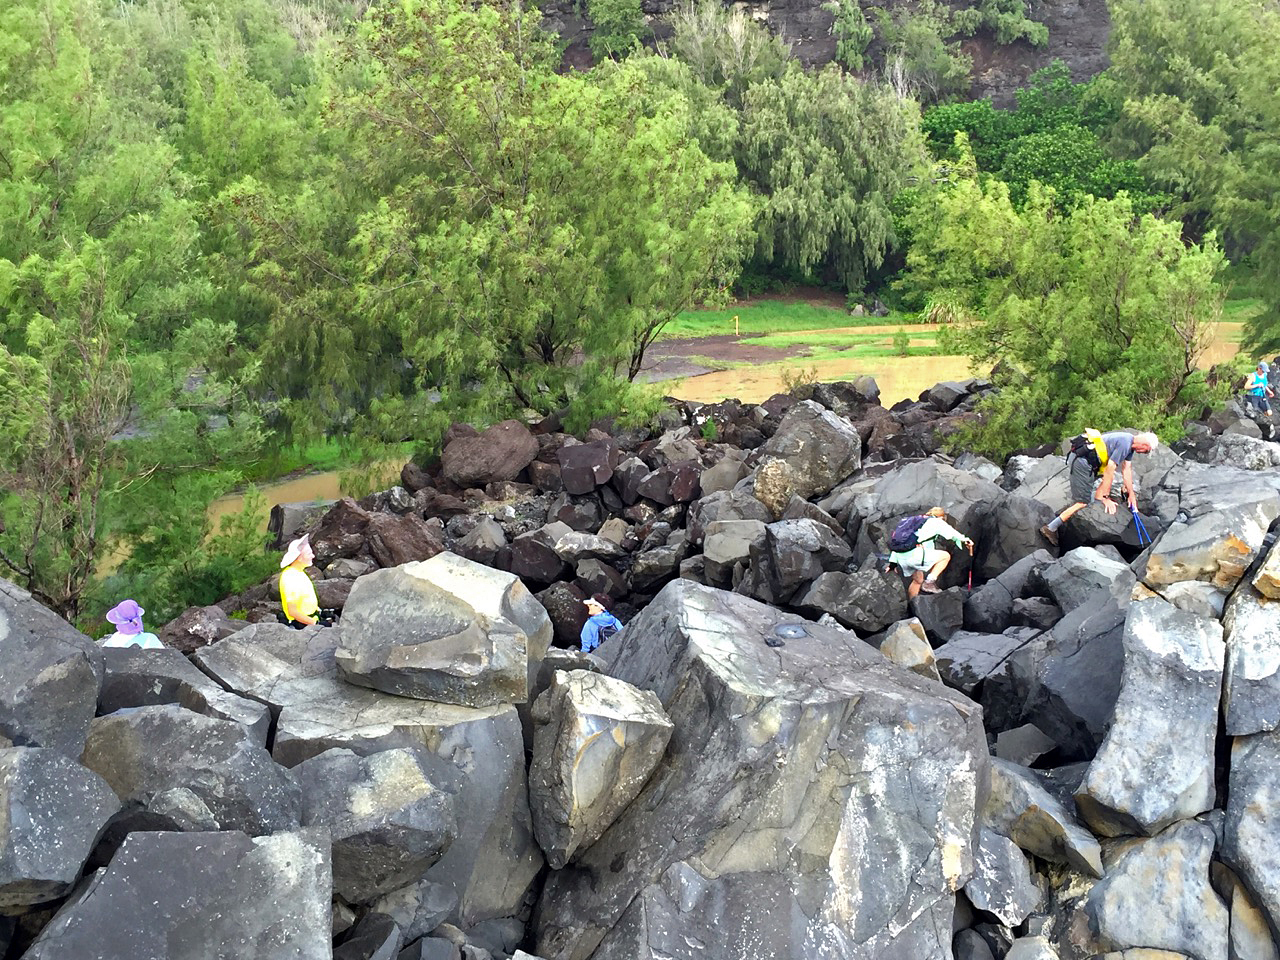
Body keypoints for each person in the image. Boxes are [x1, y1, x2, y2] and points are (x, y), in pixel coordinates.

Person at [1039, 430, 1159, 547]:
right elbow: (1110, 469)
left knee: (1092, 490)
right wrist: (1105, 497)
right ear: (1144, 444)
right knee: (1082, 502)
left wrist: (1131, 495)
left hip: (1092, 463)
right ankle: (1051, 528)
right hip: (1082, 462)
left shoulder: (1129, 444)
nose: (1143, 453)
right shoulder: (1125, 443)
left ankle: (1096, 499)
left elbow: (1126, 470)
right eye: (1146, 451)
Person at [886, 507, 974, 599]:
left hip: (902, 558)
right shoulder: (936, 522)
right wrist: (966, 540)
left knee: (918, 580)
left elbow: (898, 541)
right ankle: (929, 583)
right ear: (941, 517)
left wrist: (893, 563)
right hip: (916, 556)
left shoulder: (913, 522)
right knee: (945, 556)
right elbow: (951, 533)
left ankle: (913, 606)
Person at [279, 535, 320, 628]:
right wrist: (314, 624)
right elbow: (292, 611)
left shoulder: (300, 573)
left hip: (309, 620)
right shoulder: (290, 577)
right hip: (300, 625)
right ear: (299, 557)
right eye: (309, 554)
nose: (313, 556)